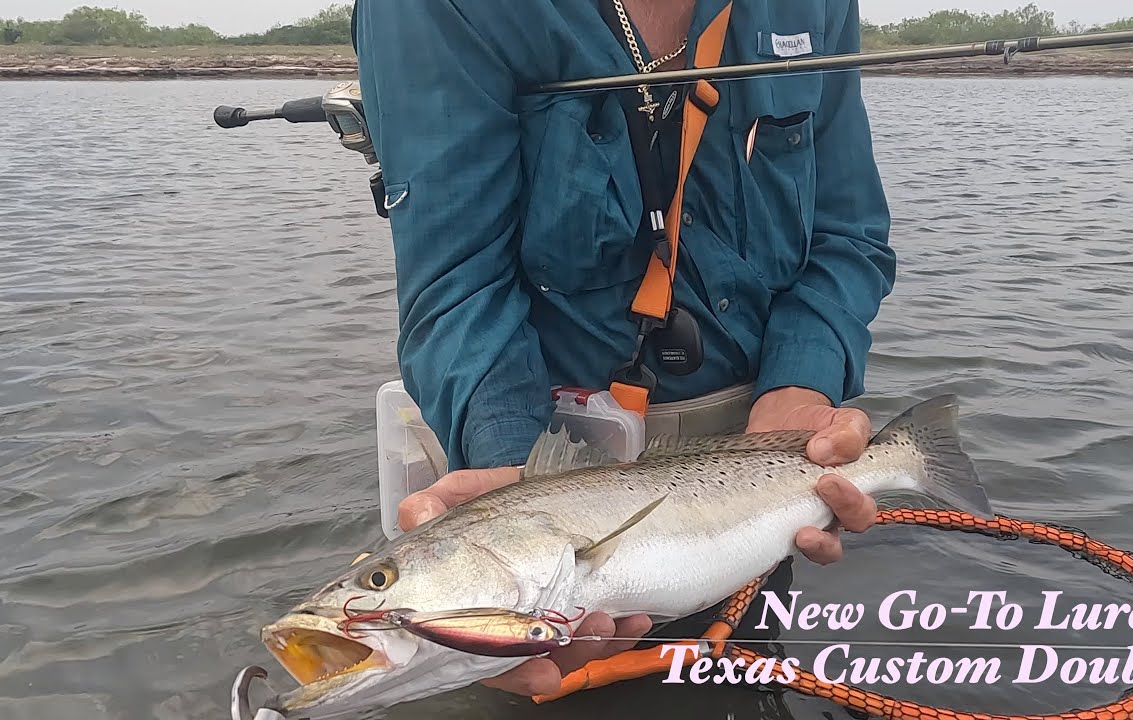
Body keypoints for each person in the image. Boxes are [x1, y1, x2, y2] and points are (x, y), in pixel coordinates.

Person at [351, 0, 895, 700]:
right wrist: (515, 483)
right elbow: (458, 282)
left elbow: (847, 235)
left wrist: (803, 387)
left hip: (759, 487)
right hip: (535, 476)